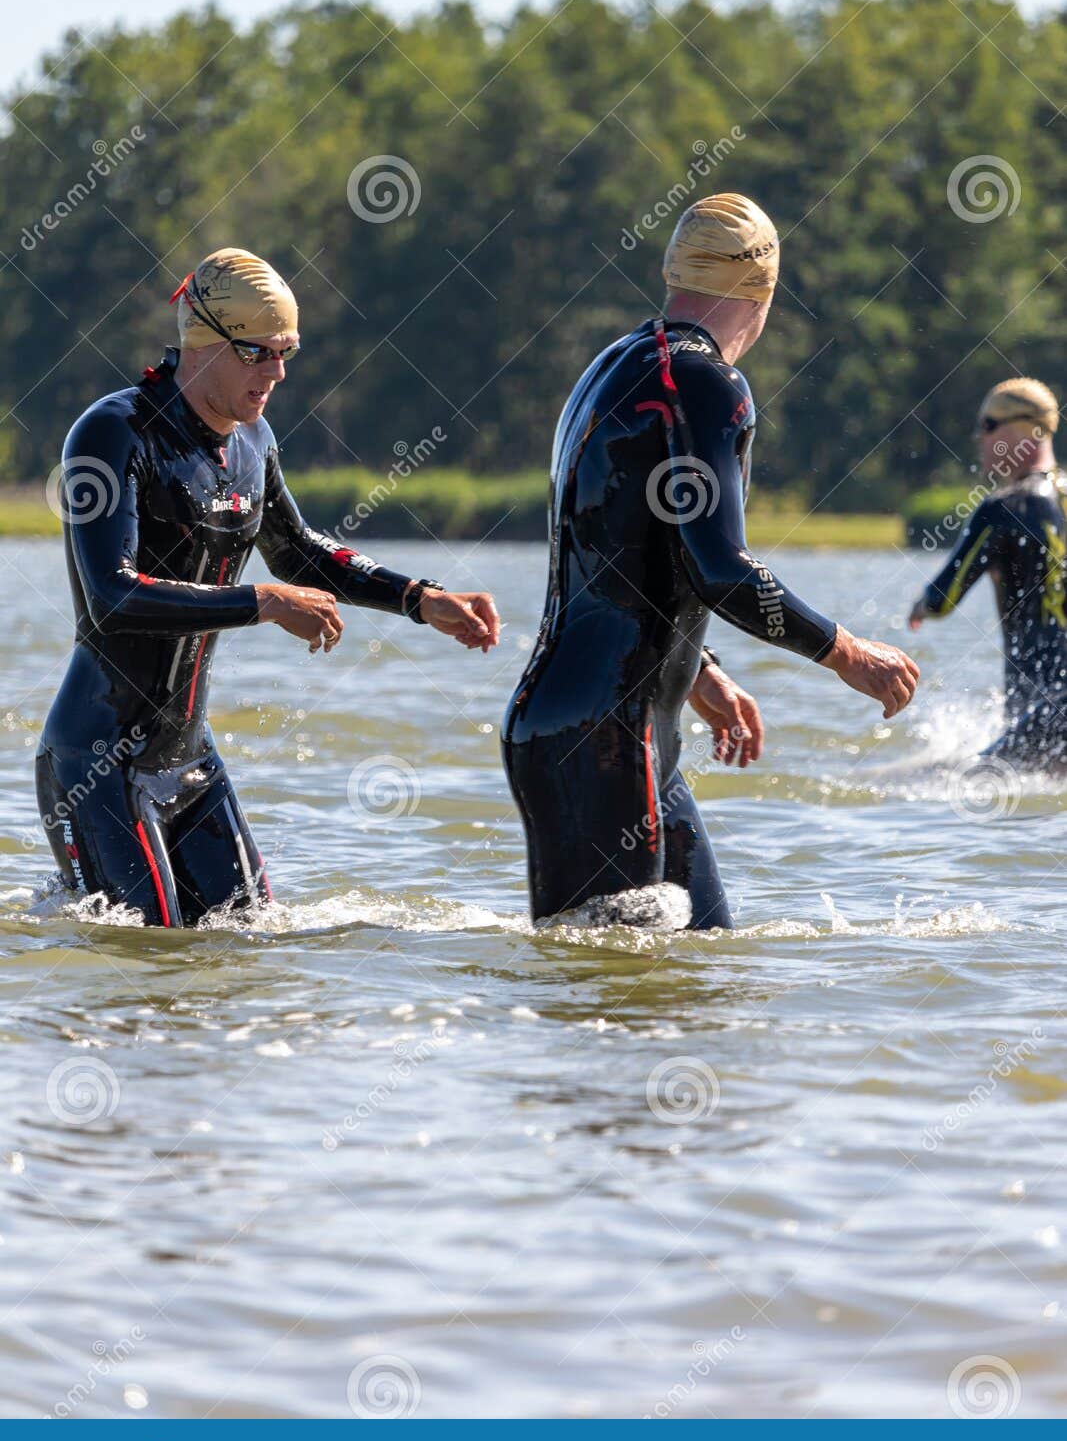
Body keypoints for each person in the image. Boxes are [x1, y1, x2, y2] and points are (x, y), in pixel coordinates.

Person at [36, 247, 500, 927]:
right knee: (145, 960)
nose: (278, 374)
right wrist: (262, 605)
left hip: (189, 762)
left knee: (254, 946)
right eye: (260, 353)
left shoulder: (253, 439)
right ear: (205, 343)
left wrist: (419, 598)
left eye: (288, 353)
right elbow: (114, 596)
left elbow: (300, 552)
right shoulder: (115, 433)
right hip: (99, 764)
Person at [503, 194, 919, 929]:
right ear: (763, 288)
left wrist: (700, 669)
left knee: (700, 963)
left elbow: (617, 549)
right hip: (608, 734)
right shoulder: (704, 382)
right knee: (623, 1007)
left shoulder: (618, 363)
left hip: (594, 726)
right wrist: (844, 651)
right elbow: (722, 567)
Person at [909, 377, 1067, 767]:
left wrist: (920, 607)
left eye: (988, 426)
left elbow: (942, 600)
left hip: (1045, 715)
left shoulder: (1004, 507)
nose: (980, 438)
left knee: (923, 784)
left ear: (1025, 427)